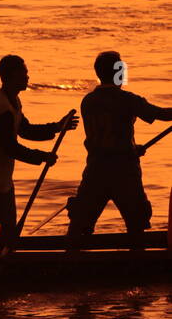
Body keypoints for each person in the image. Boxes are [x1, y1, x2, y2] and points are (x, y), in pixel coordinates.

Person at [0, 55, 76, 250]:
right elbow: (10, 148)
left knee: (9, 225)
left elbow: (26, 130)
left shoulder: (13, 102)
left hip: (1, 181)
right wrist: (41, 157)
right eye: (24, 72)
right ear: (12, 75)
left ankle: (3, 263)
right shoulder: (2, 108)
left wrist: (57, 127)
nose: (28, 76)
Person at [65, 51, 172, 251]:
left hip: (95, 170)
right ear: (118, 73)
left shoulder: (88, 101)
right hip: (124, 172)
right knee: (136, 222)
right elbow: (160, 114)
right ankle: (137, 267)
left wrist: (132, 148)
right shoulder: (128, 100)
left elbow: (108, 135)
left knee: (80, 221)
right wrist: (129, 150)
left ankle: (67, 262)